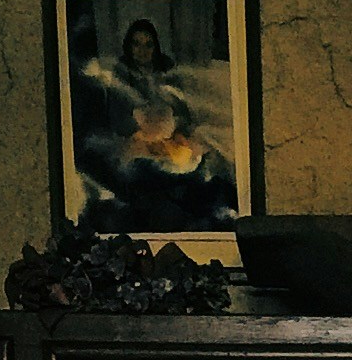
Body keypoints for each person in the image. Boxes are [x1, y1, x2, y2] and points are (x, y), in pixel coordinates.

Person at [76, 15, 239, 229]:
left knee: (202, 158)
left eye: (148, 44)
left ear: (155, 47)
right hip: (140, 143)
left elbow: (183, 113)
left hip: (172, 140)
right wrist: (142, 128)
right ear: (129, 46)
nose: (142, 50)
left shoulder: (167, 73)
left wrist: (174, 126)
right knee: (141, 169)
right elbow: (119, 121)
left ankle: (210, 203)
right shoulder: (121, 76)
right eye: (136, 44)